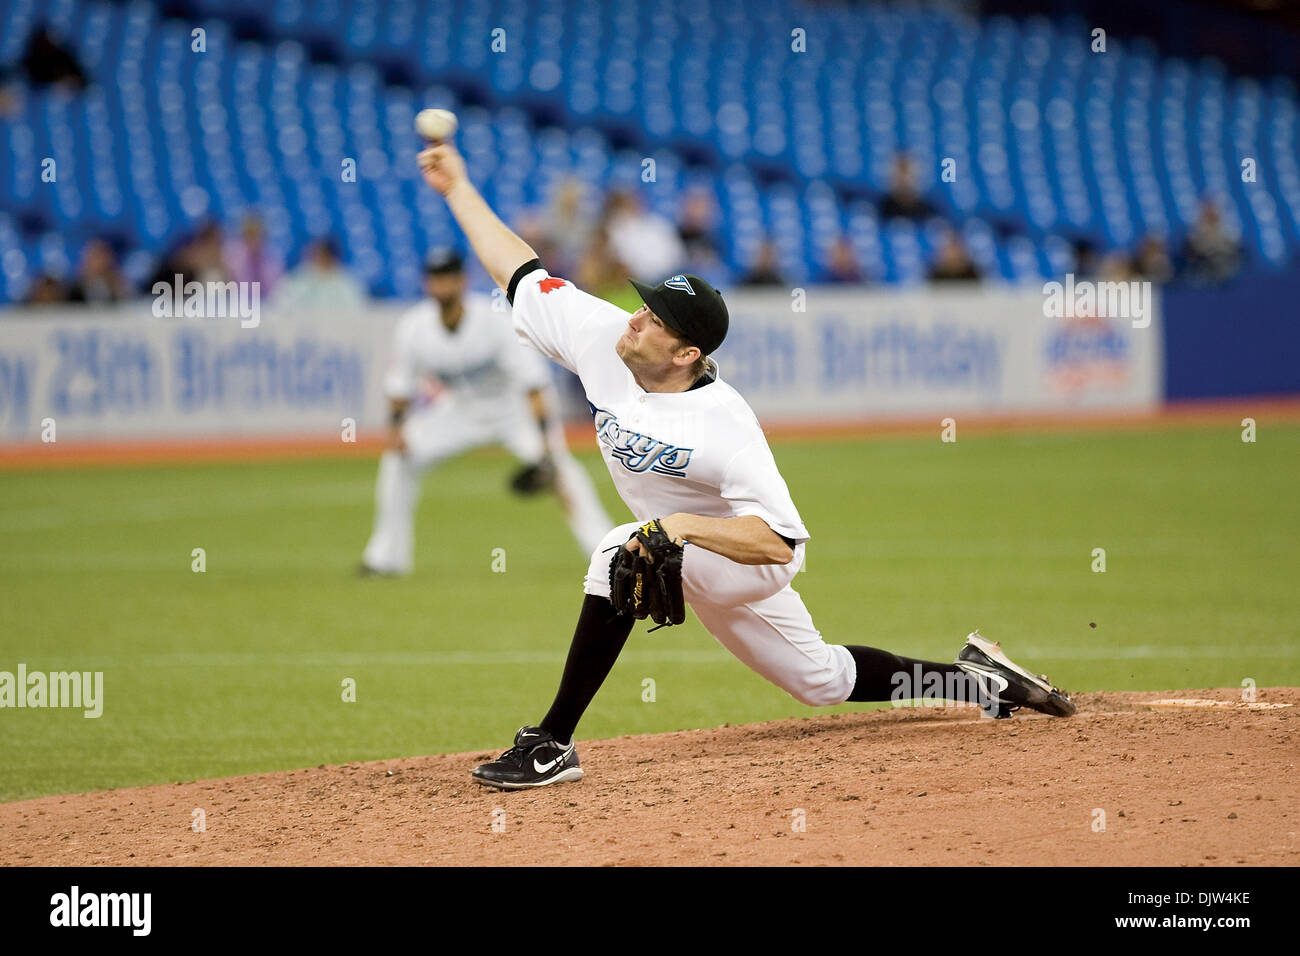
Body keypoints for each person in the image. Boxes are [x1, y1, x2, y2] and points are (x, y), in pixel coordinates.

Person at [415, 139, 1075, 790]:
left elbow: (780, 539)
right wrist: (458, 188)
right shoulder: (601, 337)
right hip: (682, 547)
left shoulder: (723, 422)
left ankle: (550, 743)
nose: (637, 318)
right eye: (645, 304)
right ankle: (980, 683)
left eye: (656, 319)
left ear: (685, 353)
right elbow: (518, 270)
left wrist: (678, 529)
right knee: (818, 679)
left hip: (746, 555)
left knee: (618, 549)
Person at [360, 249, 612, 575]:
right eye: (436, 277)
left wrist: (547, 446)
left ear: (462, 280)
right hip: (459, 412)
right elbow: (399, 388)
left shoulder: (494, 322)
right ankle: (386, 557)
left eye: (448, 276)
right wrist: (396, 433)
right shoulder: (414, 328)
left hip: (513, 412)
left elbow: (533, 386)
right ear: (427, 283)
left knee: (562, 471)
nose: (442, 284)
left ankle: (604, 550)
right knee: (398, 459)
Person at [272, 238, 367, 314]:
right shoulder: (299, 277)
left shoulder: (347, 281)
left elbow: (356, 308)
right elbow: (282, 304)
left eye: (321, 255)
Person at [68, 239, 130, 304]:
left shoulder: (116, 284)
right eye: (95, 258)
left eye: (102, 258)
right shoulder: (77, 289)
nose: (99, 263)